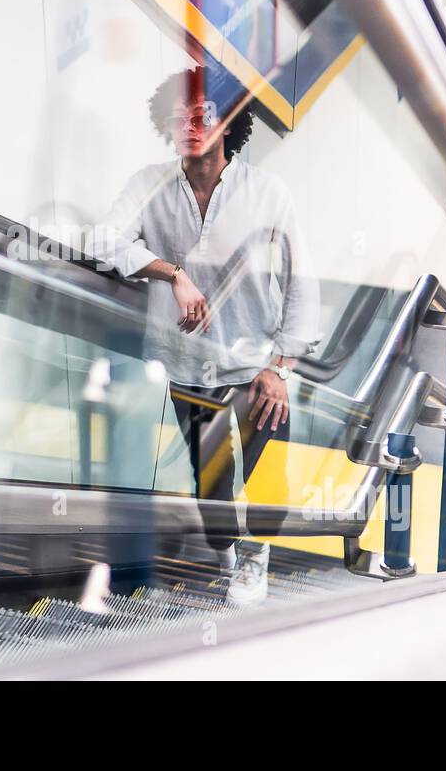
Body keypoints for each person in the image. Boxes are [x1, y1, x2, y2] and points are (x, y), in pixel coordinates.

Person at [94, 67, 319, 606]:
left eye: (202, 116)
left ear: (228, 123)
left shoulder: (267, 193)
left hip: (257, 364)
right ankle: (226, 545)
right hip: (187, 362)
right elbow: (102, 241)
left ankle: (255, 562)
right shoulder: (149, 184)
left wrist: (281, 369)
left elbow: (300, 283)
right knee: (210, 482)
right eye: (179, 118)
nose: (189, 126)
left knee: (265, 474)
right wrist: (172, 273)